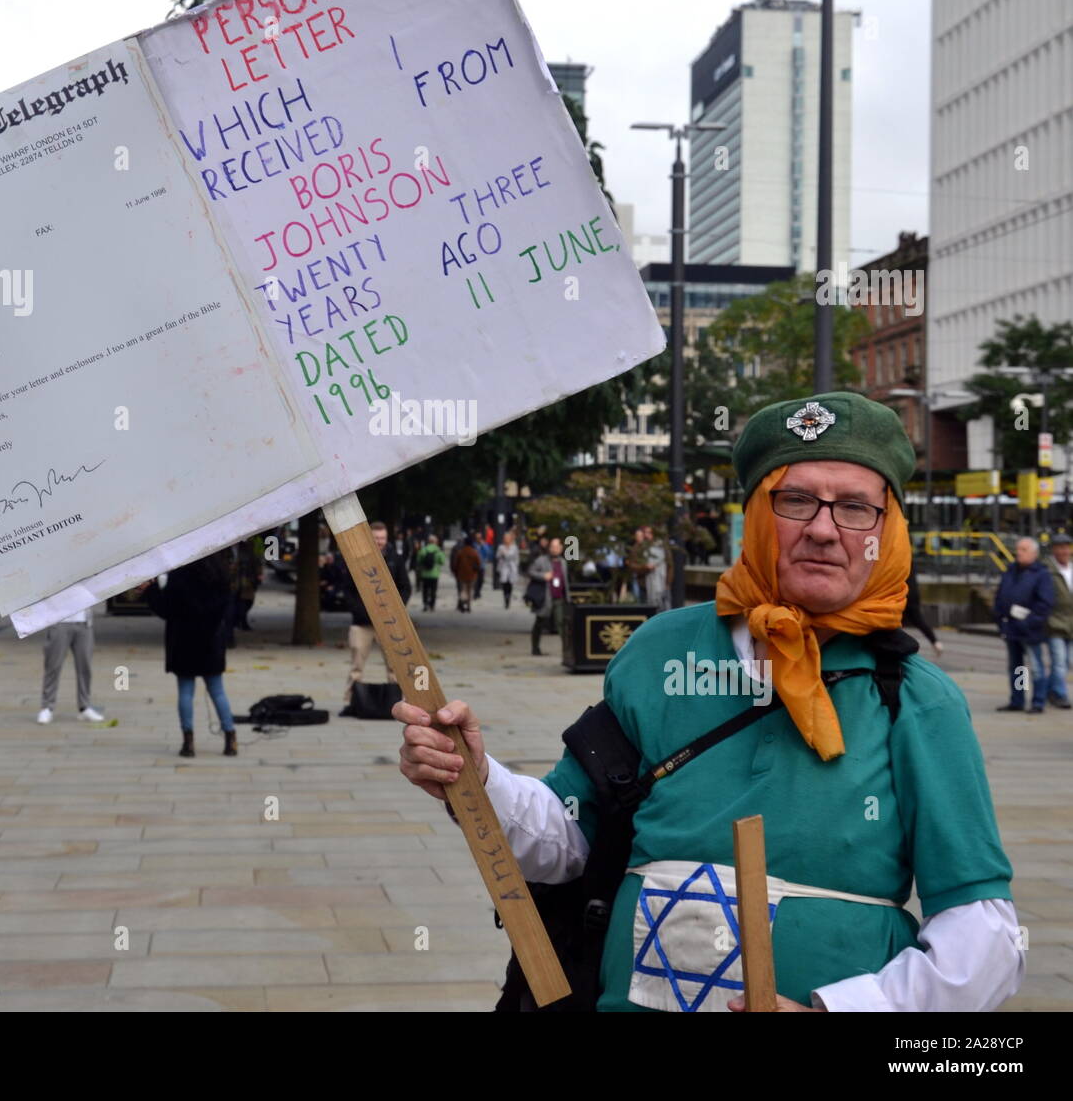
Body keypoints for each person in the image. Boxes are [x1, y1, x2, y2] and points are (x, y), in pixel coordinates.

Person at [396, 391, 1022, 1011]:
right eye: (796, 500)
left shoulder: (915, 697)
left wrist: (845, 1009)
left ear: (885, 532)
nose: (825, 530)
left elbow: (983, 930)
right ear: (754, 513)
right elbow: (569, 838)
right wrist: (474, 775)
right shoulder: (662, 649)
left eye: (857, 507)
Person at [142, 552, 237, 756]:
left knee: (185, 692)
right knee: (218, 691)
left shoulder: (180, 574)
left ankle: (189, 743)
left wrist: (150, 590)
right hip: (211, 641)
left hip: (183, 641)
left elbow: (165, 608)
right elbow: (226, 606)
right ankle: (230, 739)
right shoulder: (219, 572)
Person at [340, 521, 412, 710]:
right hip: (361, 623)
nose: (379, 542)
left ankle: (398, 704)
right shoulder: (356, 558)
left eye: (382, 538)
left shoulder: (395, 559)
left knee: (394, 665)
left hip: (389, 623)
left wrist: (395, 608)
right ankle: (350, 702)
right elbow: (347, 590)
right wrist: (359, 611)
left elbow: (405, 587)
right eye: (376, 538)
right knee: (356, 664)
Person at [993, 536, 1055, 714]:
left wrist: (1028, 622)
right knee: (1018, 668)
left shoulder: (1041, 574)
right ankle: (1017, 700)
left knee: (1036, 666)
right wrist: (999, 617)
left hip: (1030, 630)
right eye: (1018, 549)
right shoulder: (1011, 570)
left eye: (1023, 550)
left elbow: (1045, 604)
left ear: (1034, 554)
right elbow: (1001, 595)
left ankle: (1038, 701)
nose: (1018, 553)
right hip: (1011, 628)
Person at [36, 606, 101, 725]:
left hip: (84, 623)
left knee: (85, 667)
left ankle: (84, 707)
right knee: (53, 666)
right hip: (59, 621)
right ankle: (47, 707)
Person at [1041, 532, 1073, 709]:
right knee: (1059, 662)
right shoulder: (1047, 569)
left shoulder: (1072, 568)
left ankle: (1048, 690)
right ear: (1054, 550)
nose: (1065, 551)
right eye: (1061, 547)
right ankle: (1059, 695)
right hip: (1055, 622)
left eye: (1067, 547)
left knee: (1067, 662)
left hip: (1071, 623)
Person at [528, 536, 568, 656]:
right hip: (545, 597)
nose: (555, 549)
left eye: (557, 547)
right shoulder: (542, 560)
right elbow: (530, 571)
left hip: (559, 597)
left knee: (561, 623)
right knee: (539, 622)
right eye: (553, 547)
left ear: (561, 548)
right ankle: (535, 647)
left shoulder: (563, 562)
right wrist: (543, 575)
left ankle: (566, 650)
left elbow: (565, 581)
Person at [902, 557, 942, 657]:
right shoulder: (906, 555)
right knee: (918, 620)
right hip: (913, 593)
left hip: (904, 593)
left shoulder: (899, 556)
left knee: (896, 622)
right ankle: (935, 642)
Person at [452, 534, 482, 613]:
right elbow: (479, 563)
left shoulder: (461, 552)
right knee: (469, 590)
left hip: (461, 574)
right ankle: (468, 606)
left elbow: (456, 564)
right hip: (472, 575)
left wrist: (456, 572)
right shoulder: (474, 552)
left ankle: (462, 604)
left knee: (463, 590)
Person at [415, 533, 444, 611]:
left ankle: (425, 604)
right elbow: (442, 561)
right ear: (435, 542)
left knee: (425, 590)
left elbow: (418, 560)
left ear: (428, 541)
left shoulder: (424, 549)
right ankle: (432, 605)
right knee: (433, 590)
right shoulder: (438, 550)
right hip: (435, 574)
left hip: (425, 574)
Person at [495, 531, 521, 609]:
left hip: (512, 568)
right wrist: (501, 553)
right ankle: (505, 598)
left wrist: (505, 553)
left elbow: (513, 557)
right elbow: (497, 556)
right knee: (504, 584)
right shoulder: (501, 547)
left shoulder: (514, 547)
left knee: (510, 584)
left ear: (510, 539)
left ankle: (508, 598)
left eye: (508, 538)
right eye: (505, 538)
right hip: (503, 568)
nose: (506, 539)